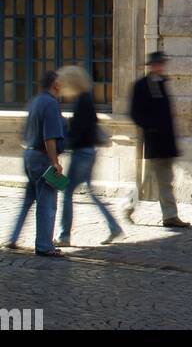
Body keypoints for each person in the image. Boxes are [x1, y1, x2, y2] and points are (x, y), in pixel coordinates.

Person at [56, 65, 124, 247]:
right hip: (88, 152)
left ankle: (64, 235)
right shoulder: (86, 99)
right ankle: (114, 227)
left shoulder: (82, 102)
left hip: (81, 153)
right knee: (91, 193)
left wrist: (63, 141)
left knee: (67, 192)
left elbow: (81, 131)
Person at [4, 69, 66, 257]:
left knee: (28, 200)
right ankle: (44, 246)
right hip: (42, 157)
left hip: (29, 155)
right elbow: (50, 137)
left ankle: (13, 238)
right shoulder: (51, 104)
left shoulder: (35, 101)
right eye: (60, 82)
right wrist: (54, 162)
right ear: (55, 84)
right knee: (47, 203)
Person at [126, 52, 188, 229]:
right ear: (152, 66)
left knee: (163, 181)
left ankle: (169, 215)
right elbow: (135, 113)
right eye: (158, 64)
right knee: (146, 181)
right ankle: (131, 207)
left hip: (165, 143)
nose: (161, 67)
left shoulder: (162, 84)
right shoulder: (142, 86)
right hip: (153, 142)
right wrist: (151, 128)